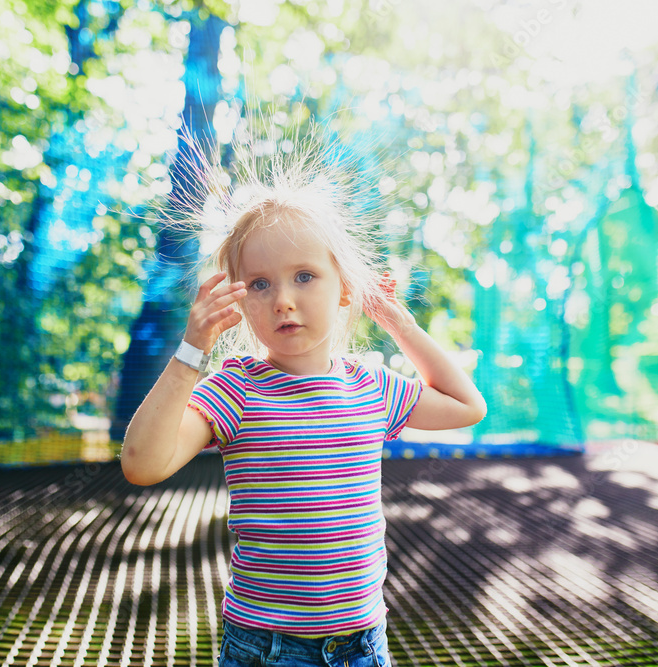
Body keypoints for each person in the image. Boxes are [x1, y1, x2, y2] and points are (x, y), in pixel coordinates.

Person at [121, 161, 487, 667]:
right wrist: (191, 349)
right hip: (265, 646)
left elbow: (467, 406)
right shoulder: (236, 389)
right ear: (239, 300)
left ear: (344, 288)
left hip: (362, 642)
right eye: (260, 285)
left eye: (305, 276)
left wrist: (398, 323)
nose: (283, 301)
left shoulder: (370, 386)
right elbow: (142, 463)